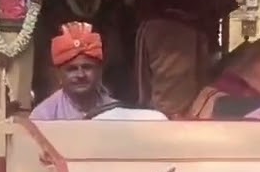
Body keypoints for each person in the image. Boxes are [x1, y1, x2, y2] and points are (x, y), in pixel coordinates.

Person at [31, 22, 166, 121]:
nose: (81, 75)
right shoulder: (43, 116)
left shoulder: (115, 112)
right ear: (58, 75)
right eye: (71, 69)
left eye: (87, 67)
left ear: (100, 70)